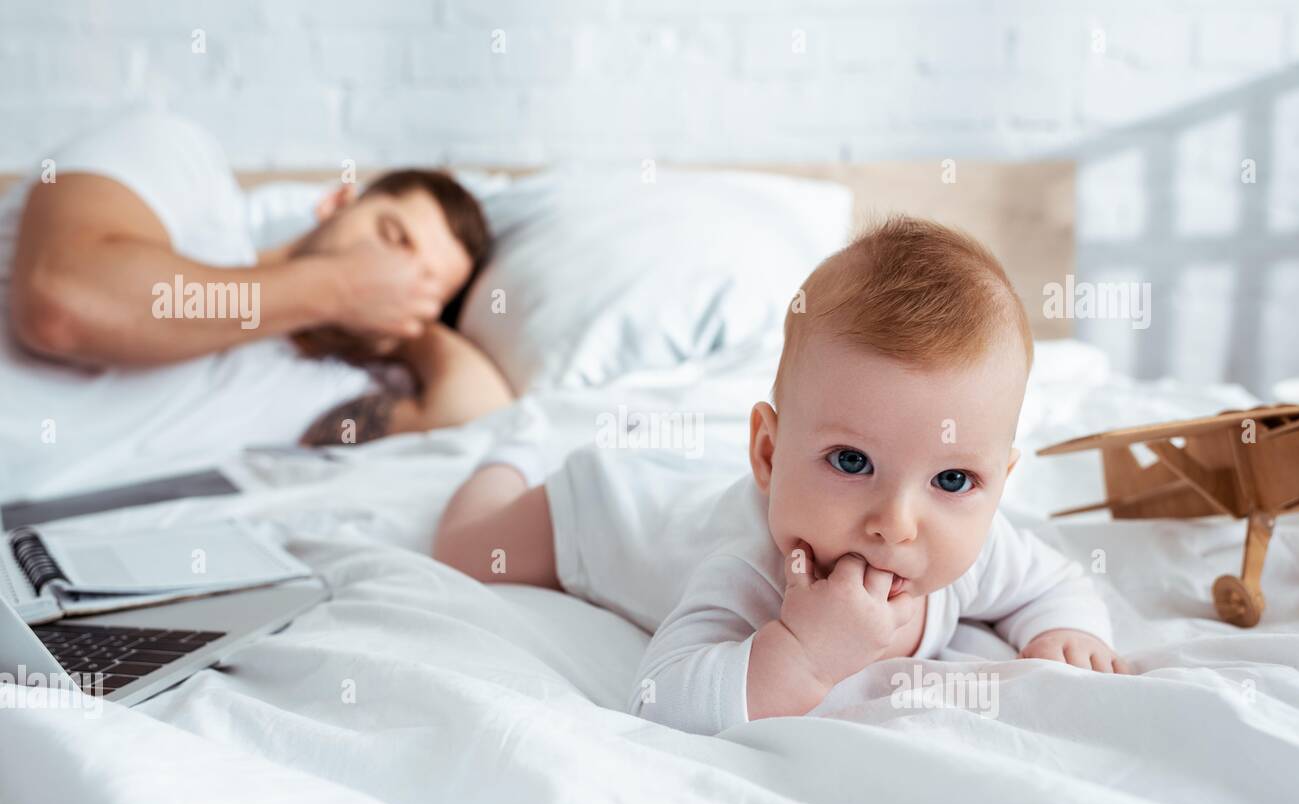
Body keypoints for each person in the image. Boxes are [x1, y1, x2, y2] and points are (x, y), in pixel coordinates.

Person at [432, 216, 1130, 735]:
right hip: (607, 510)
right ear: (768, 454)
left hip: (680, 487)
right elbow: (660, 701)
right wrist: (803, 654)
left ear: (999, 483)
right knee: (465, 549)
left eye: (952, 481)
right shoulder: (750, 568)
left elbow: (1053, 582)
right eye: (851, 461)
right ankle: (512, 451)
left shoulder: (973, 553)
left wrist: (1065, 631)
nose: (896, 523)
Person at [1, 111, 512, 495]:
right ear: (337, 202)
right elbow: (62, 302)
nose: (393, 275)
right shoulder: (182, 166)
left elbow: (478, 413)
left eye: (424, 285)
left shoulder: (318, 391)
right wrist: (340, 286)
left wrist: (408, 326)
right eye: (391, 236)